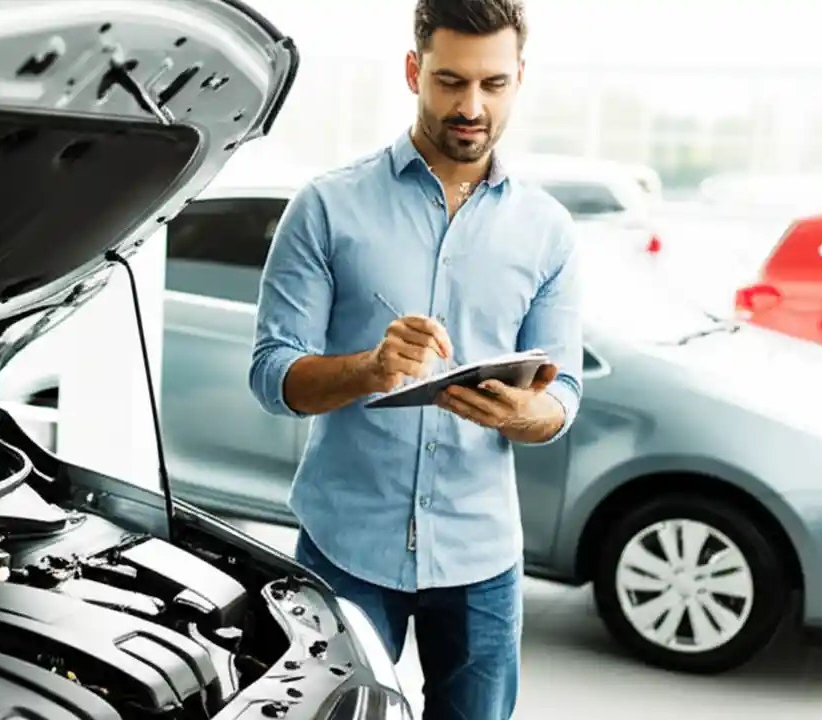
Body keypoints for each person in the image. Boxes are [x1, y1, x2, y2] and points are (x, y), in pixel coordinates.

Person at [247, 1, 583, 717]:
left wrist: (528, 414)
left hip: (481, 555)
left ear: (519, 80)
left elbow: (565, 396)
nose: (471, 106)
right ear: (413, 71)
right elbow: (273, 374)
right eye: (450, 81)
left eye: (493, 85)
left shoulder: (548, 230)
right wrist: (370, 369)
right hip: (344, 547)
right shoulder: (327, 206)